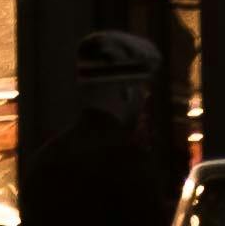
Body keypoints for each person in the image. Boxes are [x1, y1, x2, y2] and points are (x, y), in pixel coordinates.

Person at [18, 28, 175, 226]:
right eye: (142, 89)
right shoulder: (128, 163)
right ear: (127, 91)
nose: (145, 99)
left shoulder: (45, 163)